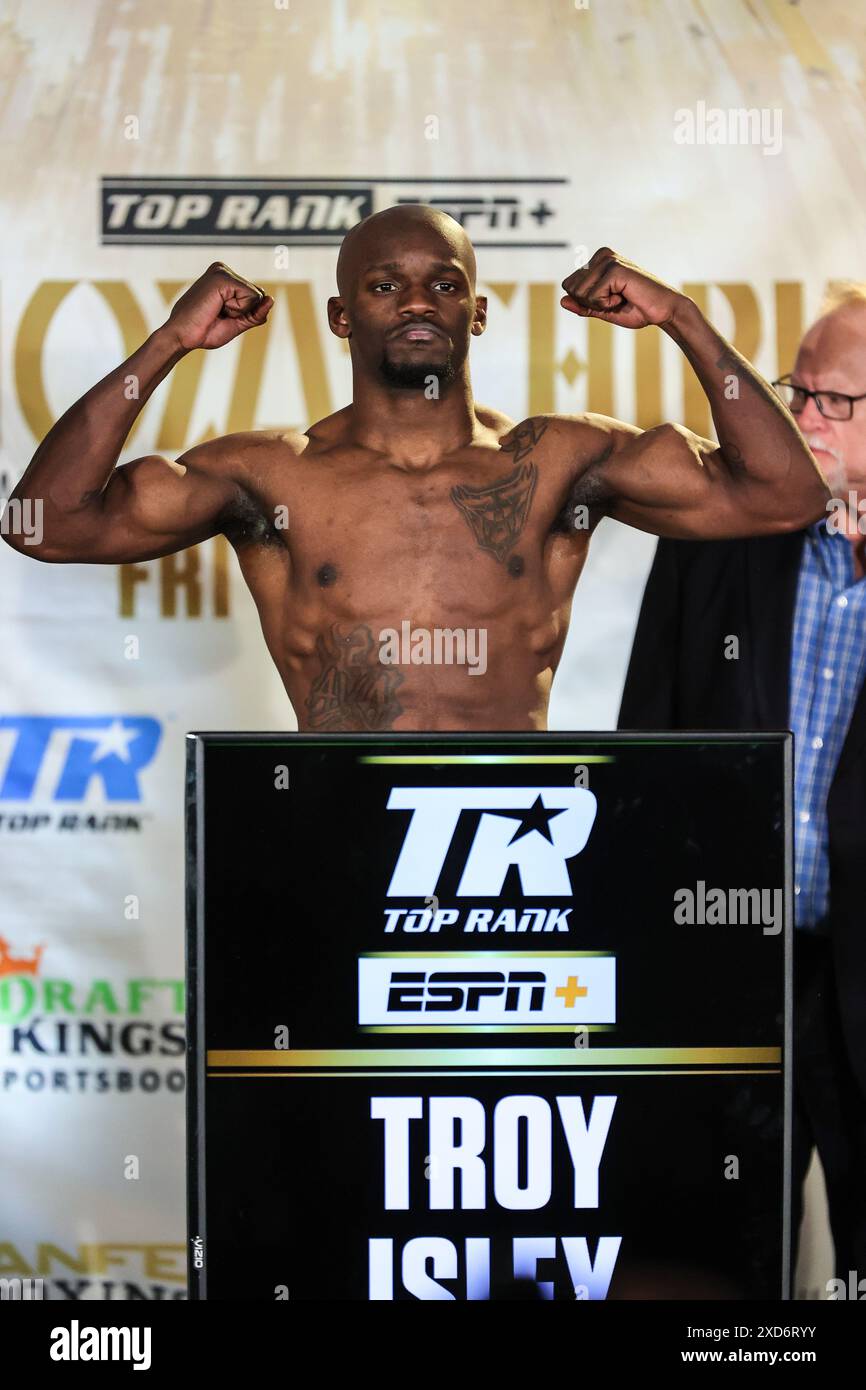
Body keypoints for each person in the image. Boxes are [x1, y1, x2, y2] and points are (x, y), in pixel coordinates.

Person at [3, 204, 828, 731]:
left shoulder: (558, 459)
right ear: (340, 315)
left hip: (510, 838)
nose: (416, 301)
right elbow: (45, 525)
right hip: (333, 825)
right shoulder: (266, 477)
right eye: (384, 284)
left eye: (443, 283)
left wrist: (681, 317)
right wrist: (170, 341)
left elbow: (787, 496)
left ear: (476, 312)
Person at [618, 282, 866, 1286]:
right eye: (791, 388)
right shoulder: (714, 536)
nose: (796, 415)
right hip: (724, 973)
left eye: (831, 400)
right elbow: (645, 748)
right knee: (714, 1266)